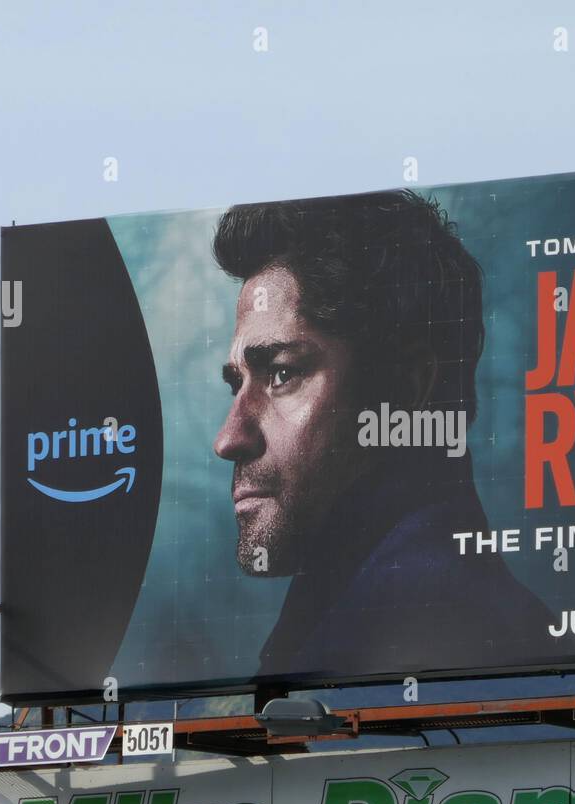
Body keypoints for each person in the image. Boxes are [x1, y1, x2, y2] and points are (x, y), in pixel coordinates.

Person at [211, 189, 555, 680]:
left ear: (405, 388)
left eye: (282, 374)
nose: (228, 438)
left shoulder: (430, 625)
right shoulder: (377, 611)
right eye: (236, 385)